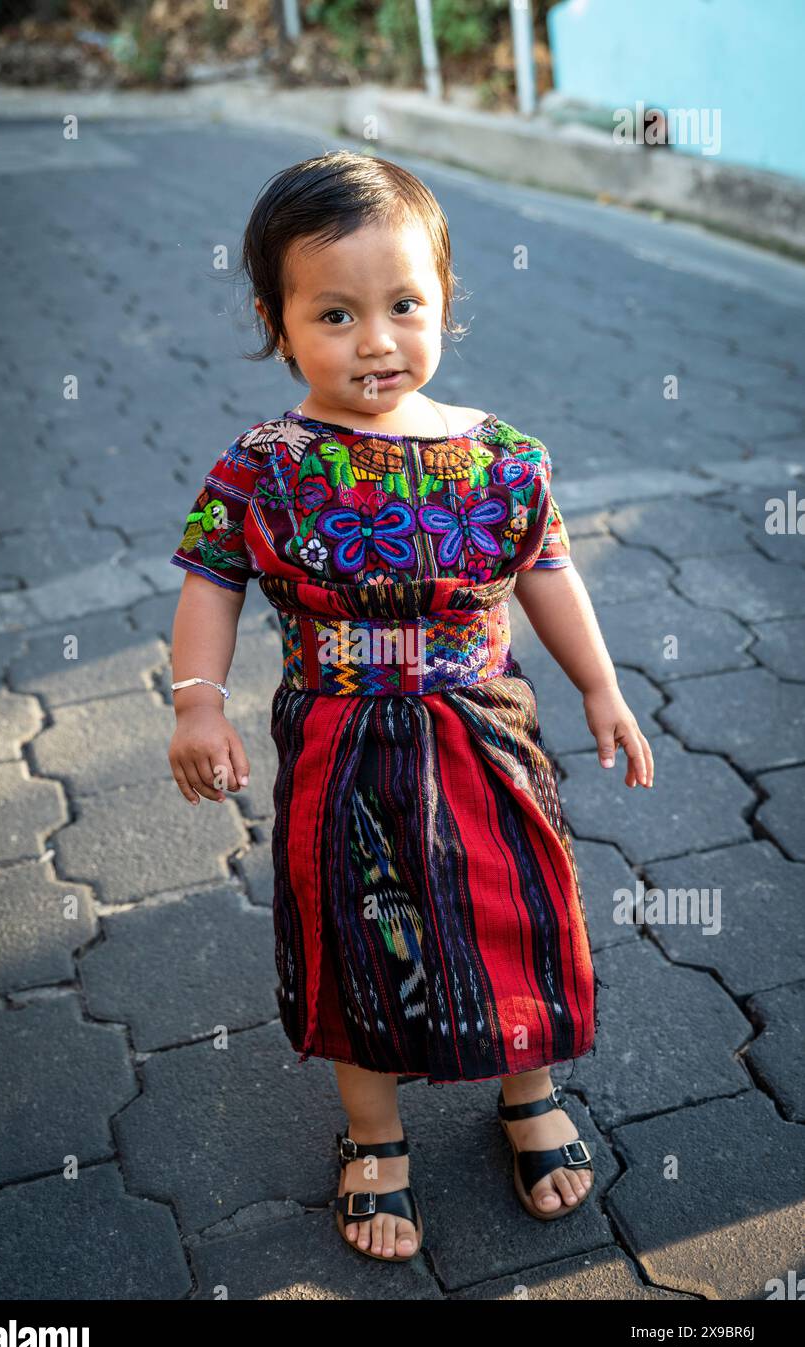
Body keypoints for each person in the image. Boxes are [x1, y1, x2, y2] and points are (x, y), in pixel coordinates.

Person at [167, 150, 654, 1265]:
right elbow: (211, 582)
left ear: (445, 303)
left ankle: (527, 1087)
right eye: (334, 313)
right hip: (341, 743)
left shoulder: (500, 458)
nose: (375, 340)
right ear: (276, 321)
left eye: (403, 306)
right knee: (355, 927)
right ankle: (374, 1131)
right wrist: (198, 702)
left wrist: (600, 685)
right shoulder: (263, 468)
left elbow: (548, 573)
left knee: (516, 910)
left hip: (486, 730)